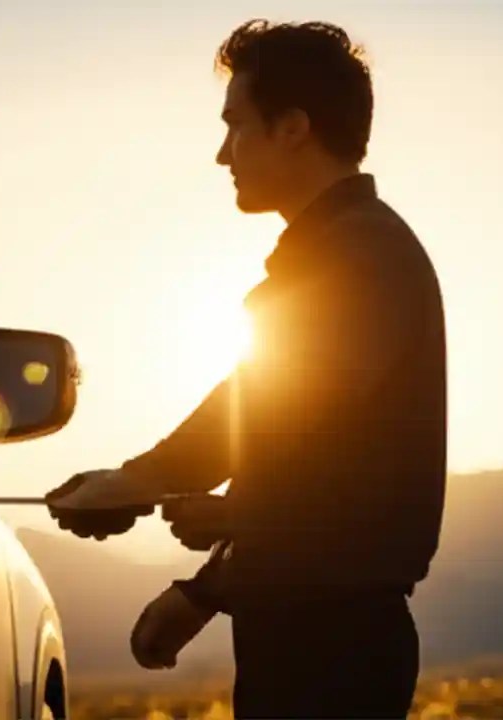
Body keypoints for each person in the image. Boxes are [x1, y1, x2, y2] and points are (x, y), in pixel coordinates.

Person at [46, 18, 447, 719]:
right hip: (316, 637)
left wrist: (138, 482)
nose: (221, 154)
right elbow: (303, 463)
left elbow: (273, 409)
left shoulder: (360, 255)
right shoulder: (348, 250)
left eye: (235, 126)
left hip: (331, 650)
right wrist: (208, 585)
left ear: (292, 128)